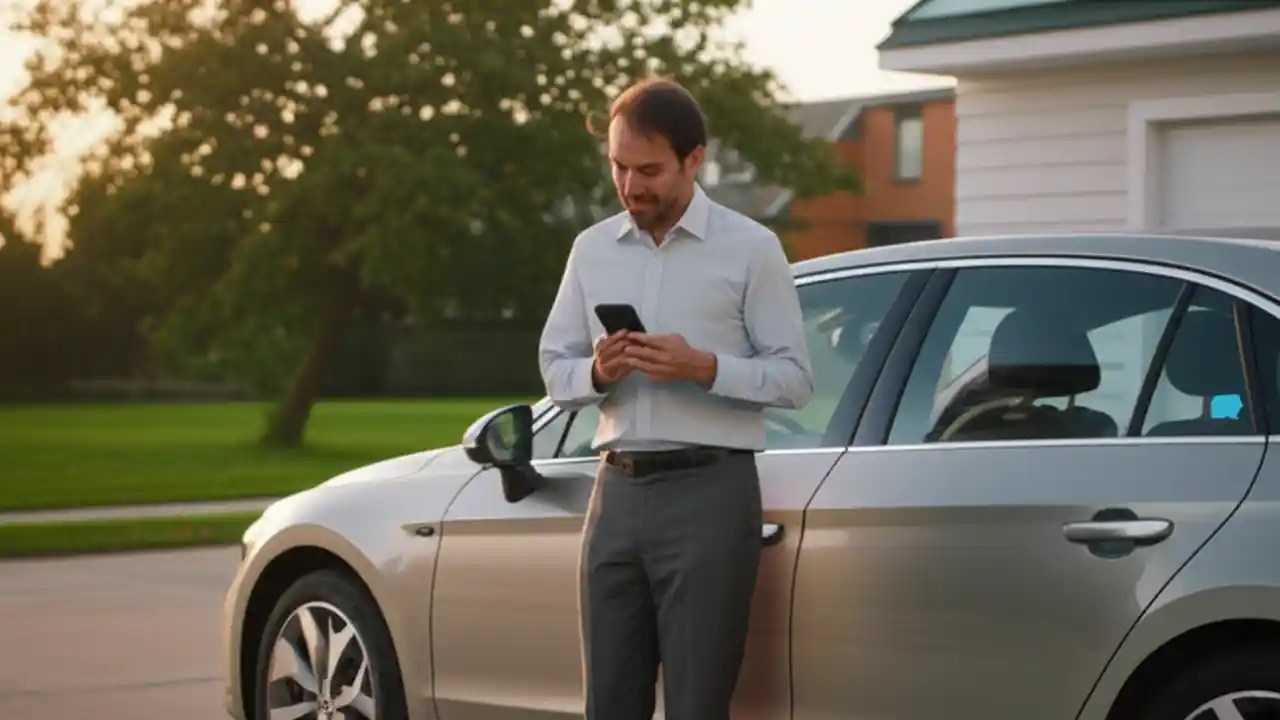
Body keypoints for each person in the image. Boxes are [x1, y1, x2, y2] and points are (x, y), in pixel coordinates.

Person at [538, 76, 813, 720]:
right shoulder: (591, 250)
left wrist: (704, 367)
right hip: (615, 498)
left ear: (695, 159)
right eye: (619, 167)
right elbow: (556, 369)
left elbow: (795, 379)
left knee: (696, 705)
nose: (632, 187)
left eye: (650, 170)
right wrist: (600, 373)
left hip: (709, 496)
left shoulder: (751, 249)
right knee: (609, 704)